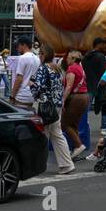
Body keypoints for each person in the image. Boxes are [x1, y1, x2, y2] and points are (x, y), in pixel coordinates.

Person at [32, 44, 75, 175]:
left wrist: (30, 85)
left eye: (40, 53)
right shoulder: (57, 69)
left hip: (45, 105)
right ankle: (66, 164)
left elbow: (37, 88)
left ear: (44, 55)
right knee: (57, 134)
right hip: (56, 105)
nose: (39, 56)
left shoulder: (43, 69)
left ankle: (37, 165)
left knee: (41, 135)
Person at [61, 49, 89, 159]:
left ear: (73, 59)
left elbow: (69, 86)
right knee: (74, 124)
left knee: (65, 124)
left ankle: (78, 145)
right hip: (84, 96)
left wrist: (63, 100)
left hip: (76, 98)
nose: (66, 59)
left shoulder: (71, 68)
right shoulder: (81, 68)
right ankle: (77, 147)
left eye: (68, 57)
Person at [82, 37, 106, 135]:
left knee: (86, 107)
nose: (105, 46)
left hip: (88, 84)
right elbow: (104, 72)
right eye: (104, 44)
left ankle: (84, 124)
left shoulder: (86, 56)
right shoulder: (100, 56)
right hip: (99, 84)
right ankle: (104, 127)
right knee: (104, 105)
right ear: (99, 44)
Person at [9, 38, 41, 109]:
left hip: (22, 95)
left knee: (20, 117)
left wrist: (12, 96)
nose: (17, 48)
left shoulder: (22, 58)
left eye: (18, 45)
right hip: (32, 94)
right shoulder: (37, 59)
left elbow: (19, 79)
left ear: (24, 45)